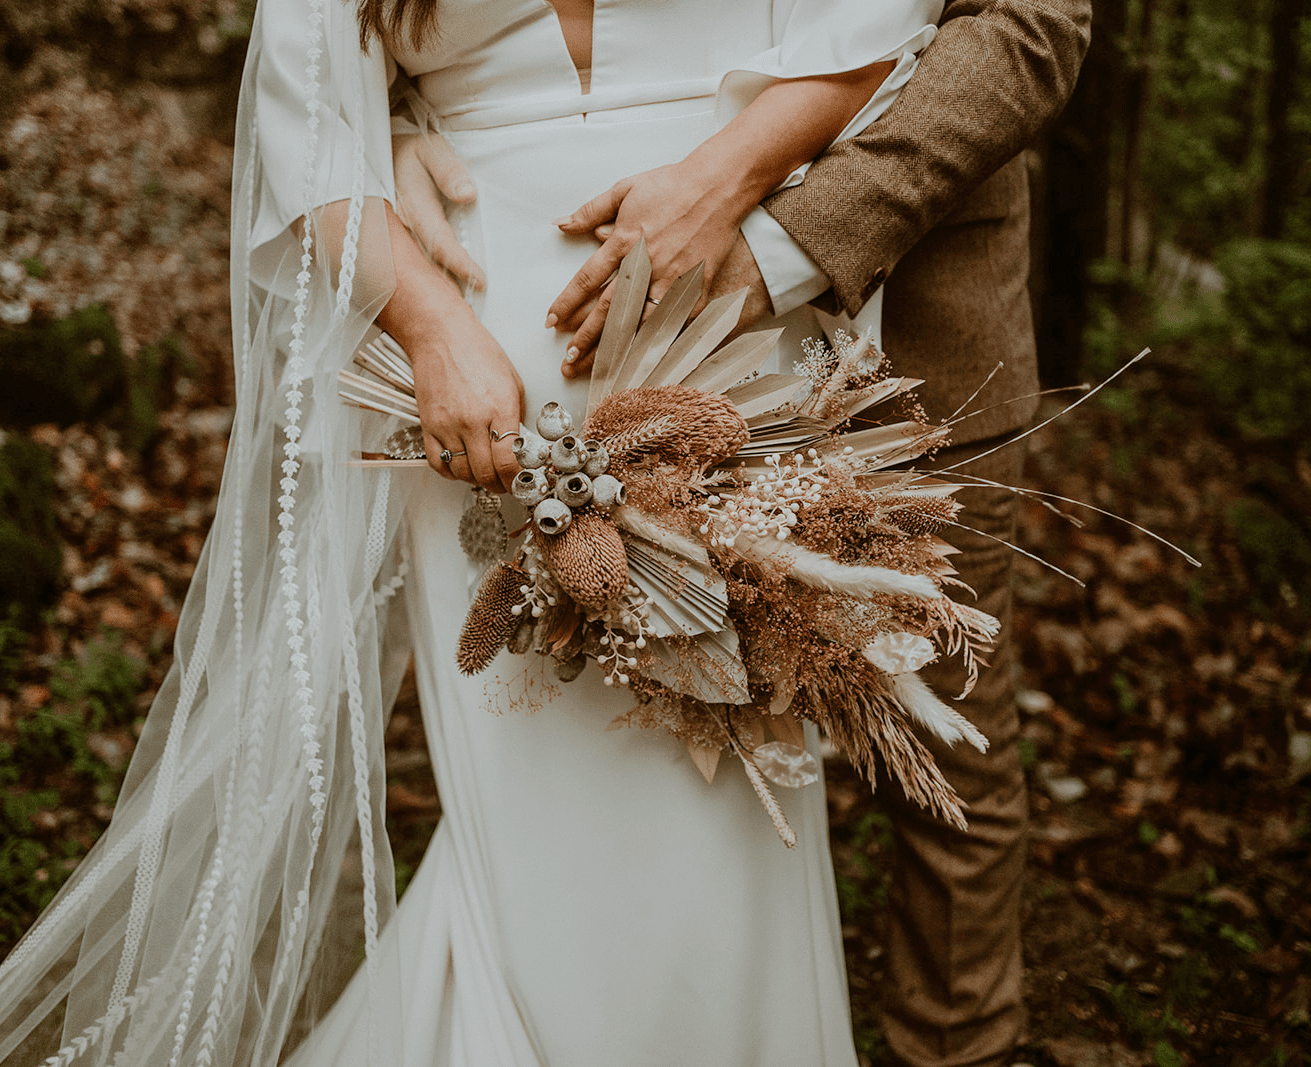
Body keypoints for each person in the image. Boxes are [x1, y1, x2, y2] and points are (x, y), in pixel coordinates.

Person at [0, 2, 974, 1066]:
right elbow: (308, 120)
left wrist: (720, 181)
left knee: (733, 781)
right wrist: (430, 327)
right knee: (535, 796)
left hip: (728, 320)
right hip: (479, 365)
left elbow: (873, 26)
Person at [400, 2, 1093, 1064]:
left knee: (945, 716)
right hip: (642, 335)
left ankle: (957, 1041)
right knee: (653, 717)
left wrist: (779, 244)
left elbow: (1028, 25)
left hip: (920, 310)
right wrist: (400, 130)